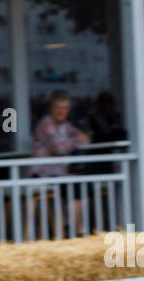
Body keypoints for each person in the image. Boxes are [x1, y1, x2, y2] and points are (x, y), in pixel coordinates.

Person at [30, 91, 90, 235]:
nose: (61, 111)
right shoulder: (46, 123)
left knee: (83, 185)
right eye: (58, 107)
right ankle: (77, 229)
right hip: (42, 174)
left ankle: (73, 226)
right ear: (51, 109)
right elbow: (59, 149)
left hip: (59, 174)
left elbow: (86, 140)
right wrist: (74, 141)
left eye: (65, 108)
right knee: (75, 186)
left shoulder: (65, 125)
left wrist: (72, 141)